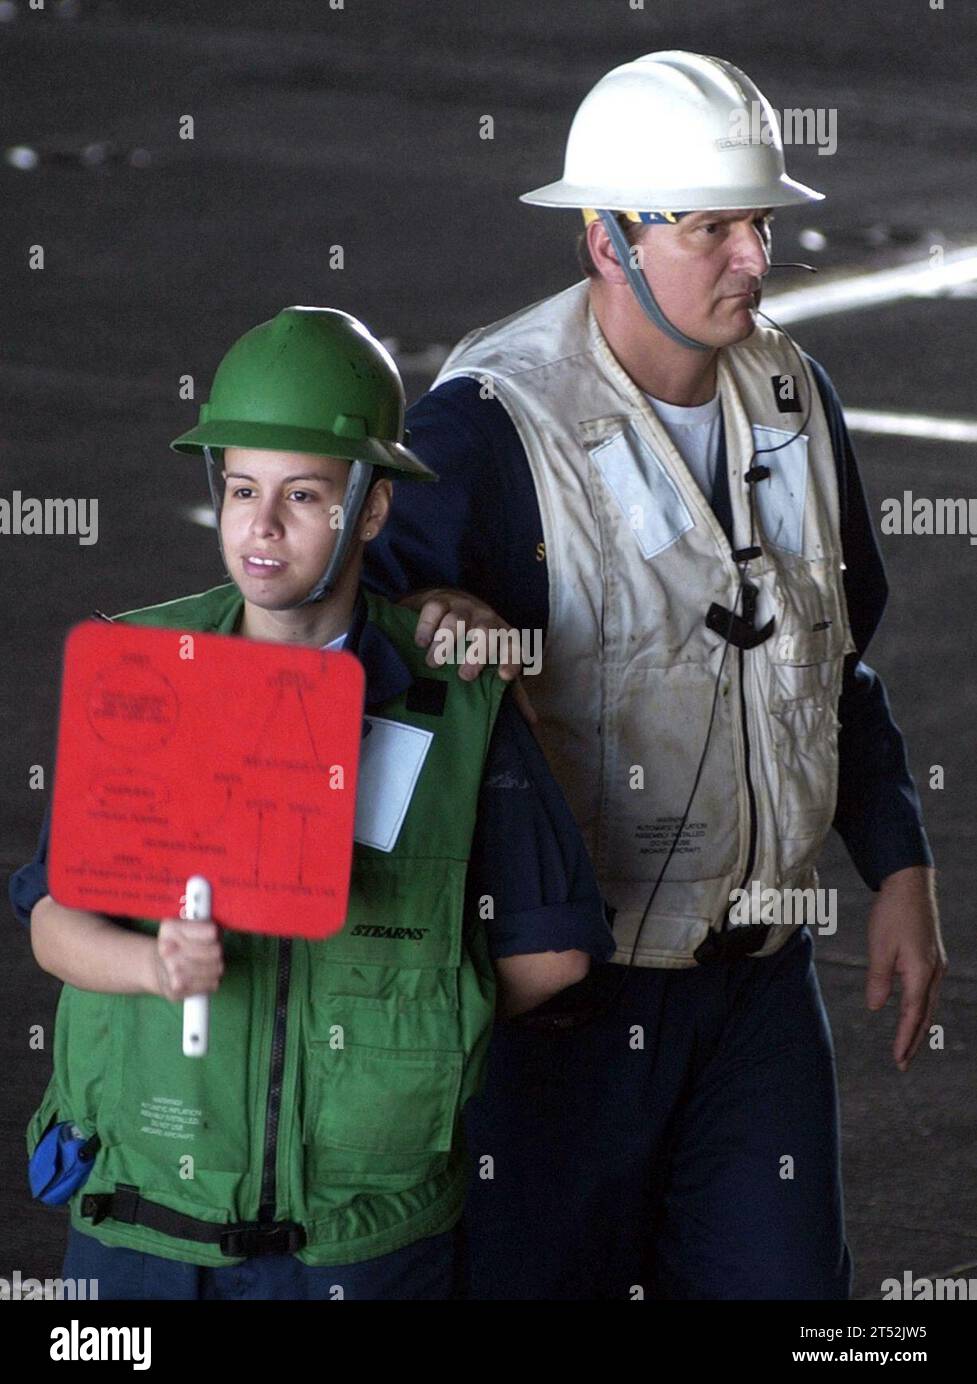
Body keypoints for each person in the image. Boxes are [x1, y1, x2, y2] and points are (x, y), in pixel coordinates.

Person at [361, 51, 947, 1299]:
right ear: (604, 240)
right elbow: (352, 671)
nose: (754, 257)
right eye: (710, 229)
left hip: (756, 994)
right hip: (560, 1012)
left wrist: (895, 862)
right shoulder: (484, 428)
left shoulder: (793, 395)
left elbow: (830, 657)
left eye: (758, 223)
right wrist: (421, 618)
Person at [9, 306, 614, 1301]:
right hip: (139, 1230)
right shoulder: (144, 669)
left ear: (371, 511)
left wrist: (399, 1021)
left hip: (359, 1245)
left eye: (304, 495)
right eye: (241, 488)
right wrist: (154, 965)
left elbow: (553, 948)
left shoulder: (453, 697)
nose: (261, 526)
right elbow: (53, 920)